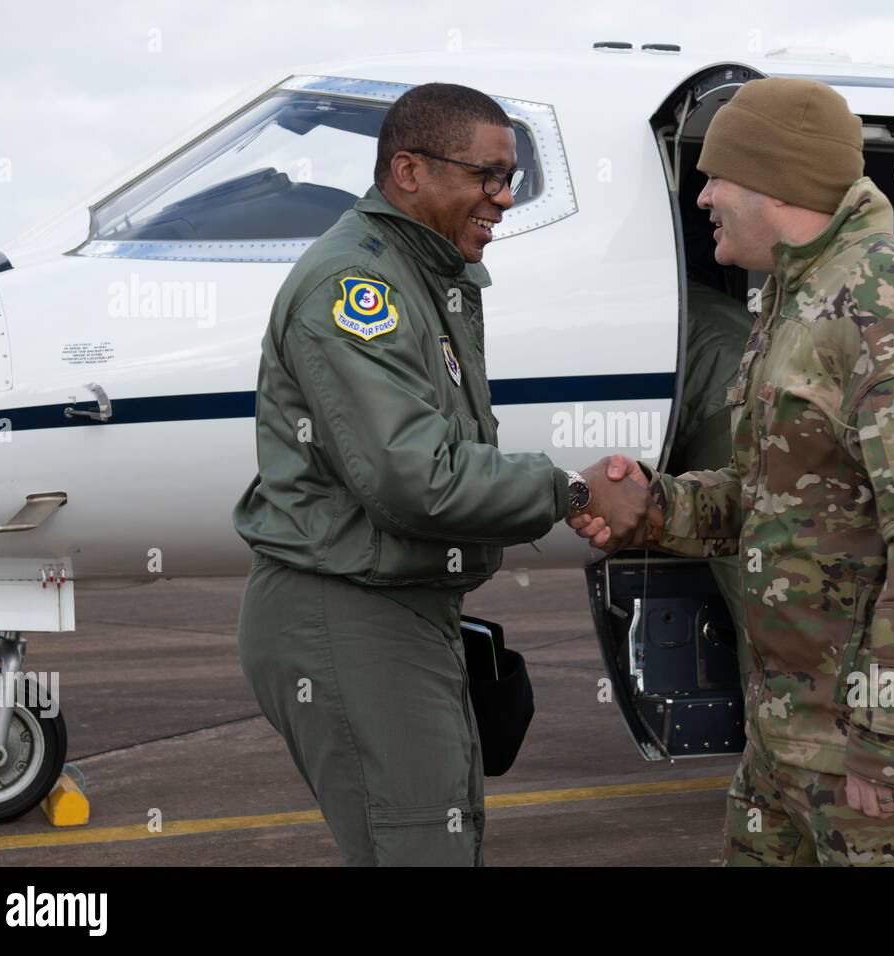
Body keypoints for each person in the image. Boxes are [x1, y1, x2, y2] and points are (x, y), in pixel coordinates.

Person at [573, 77, 894, 866]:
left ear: (774, 183)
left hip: (876, 755)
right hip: (790, 733)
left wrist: (889, 733)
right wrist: (656, 505)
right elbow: (771, 495)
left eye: (716, 177)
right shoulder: (793, 298)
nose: (703, 196)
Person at [232, 82, 648, 866]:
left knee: (442, 838)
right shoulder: (358, 288)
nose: (505, 197)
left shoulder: (427, 278)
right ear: (409, 171)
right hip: (349, 613)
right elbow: (414, 479)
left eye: (511, 177)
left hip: (398, 604)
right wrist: (574, 490)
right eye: (487, 176)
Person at [670, 281, 754, 697]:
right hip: (735, 388)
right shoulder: (689, 295)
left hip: (725, 406)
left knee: (755, 606)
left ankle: (772, 742)